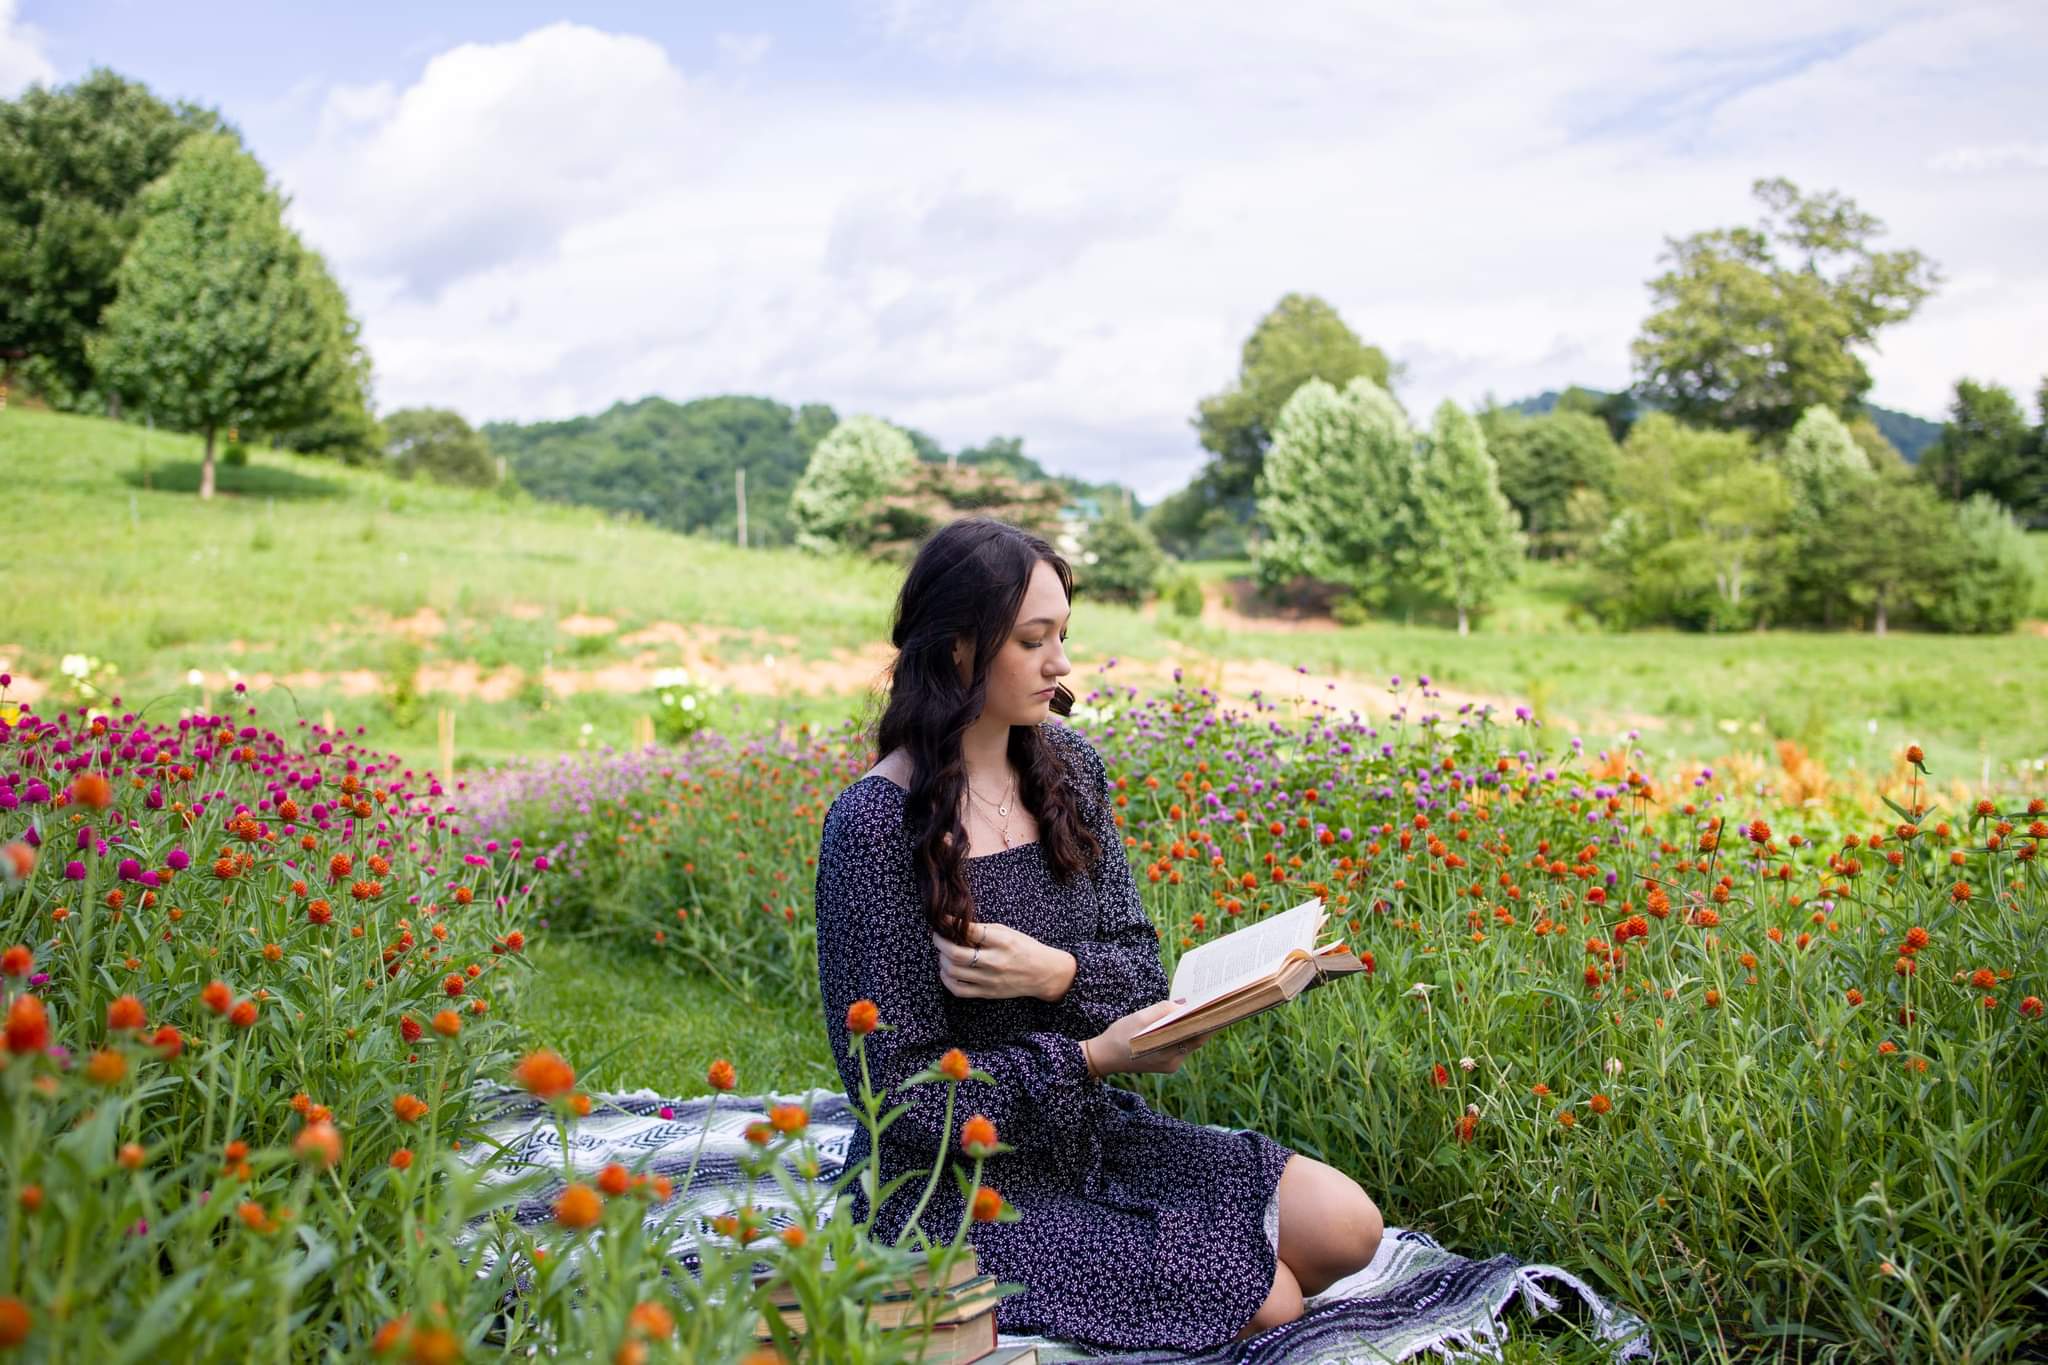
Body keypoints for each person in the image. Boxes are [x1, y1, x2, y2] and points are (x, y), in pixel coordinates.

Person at [813, 516, 1383, 1351]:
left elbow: (1139, 974)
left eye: (1064, 636)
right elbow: (898, 1092)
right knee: (1270, 1302)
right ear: (961, 649)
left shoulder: (1068, 770)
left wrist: (1055, 975)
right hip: (952, 1184)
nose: (1062, 664)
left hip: (1089, 1127)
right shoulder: (873, 825)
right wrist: (1085, 1057)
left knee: (1348, 1227)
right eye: (1033, 640)